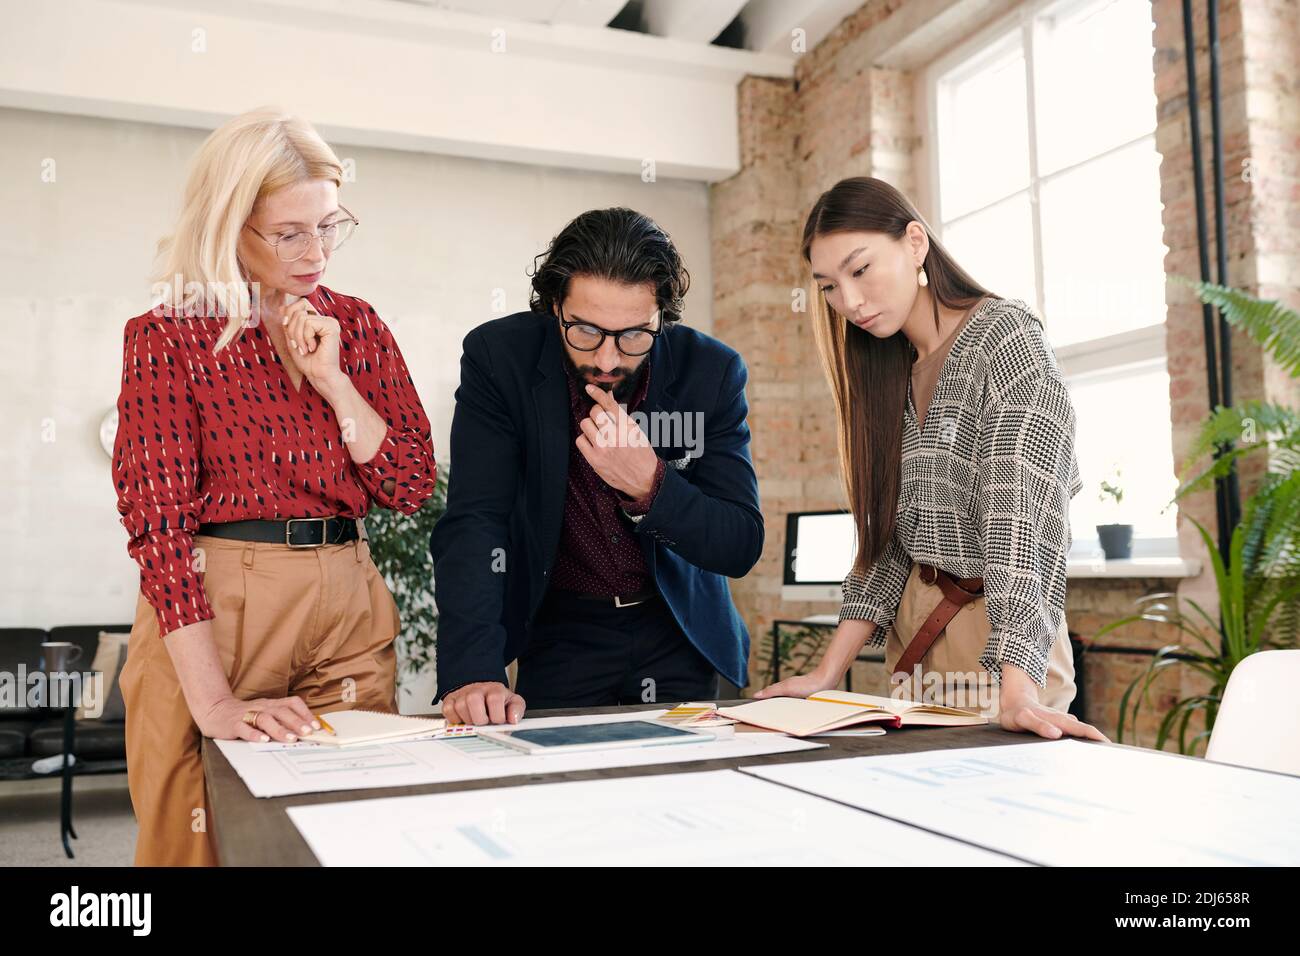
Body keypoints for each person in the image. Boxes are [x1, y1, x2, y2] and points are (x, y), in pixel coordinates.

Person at [113, 107, 438, 865]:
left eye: (330, 225)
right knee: (195, 844)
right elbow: (160, 531)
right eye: (289, 232)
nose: (316, 251)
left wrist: (333, 383)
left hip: (348, 600)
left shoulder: (354, 327)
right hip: (217, 607)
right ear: (228, 226)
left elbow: (410, 483)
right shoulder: (167, 336)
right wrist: (216, 700)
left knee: (351, 828)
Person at [757, 176, 1106, 743]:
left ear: (915, 243)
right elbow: (887, 545)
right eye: (828, 286)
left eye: (860, 269)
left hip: (1002, 636)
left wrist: (1018, 685)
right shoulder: (886, 370)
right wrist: (826, 672)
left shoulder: (1006, 338)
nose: (848, 301)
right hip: (916, 634)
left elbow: (1023, 521)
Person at [430, 207, 763, 724]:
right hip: (562, 629)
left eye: (633, 336)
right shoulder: (500, 359)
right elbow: (477, 521)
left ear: (661, 317)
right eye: (585, 331)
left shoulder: (712, 372)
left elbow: (739, 541)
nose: (608, 359)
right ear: (554, 304)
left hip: (679, 629)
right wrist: (474, 667)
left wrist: (651, 485)